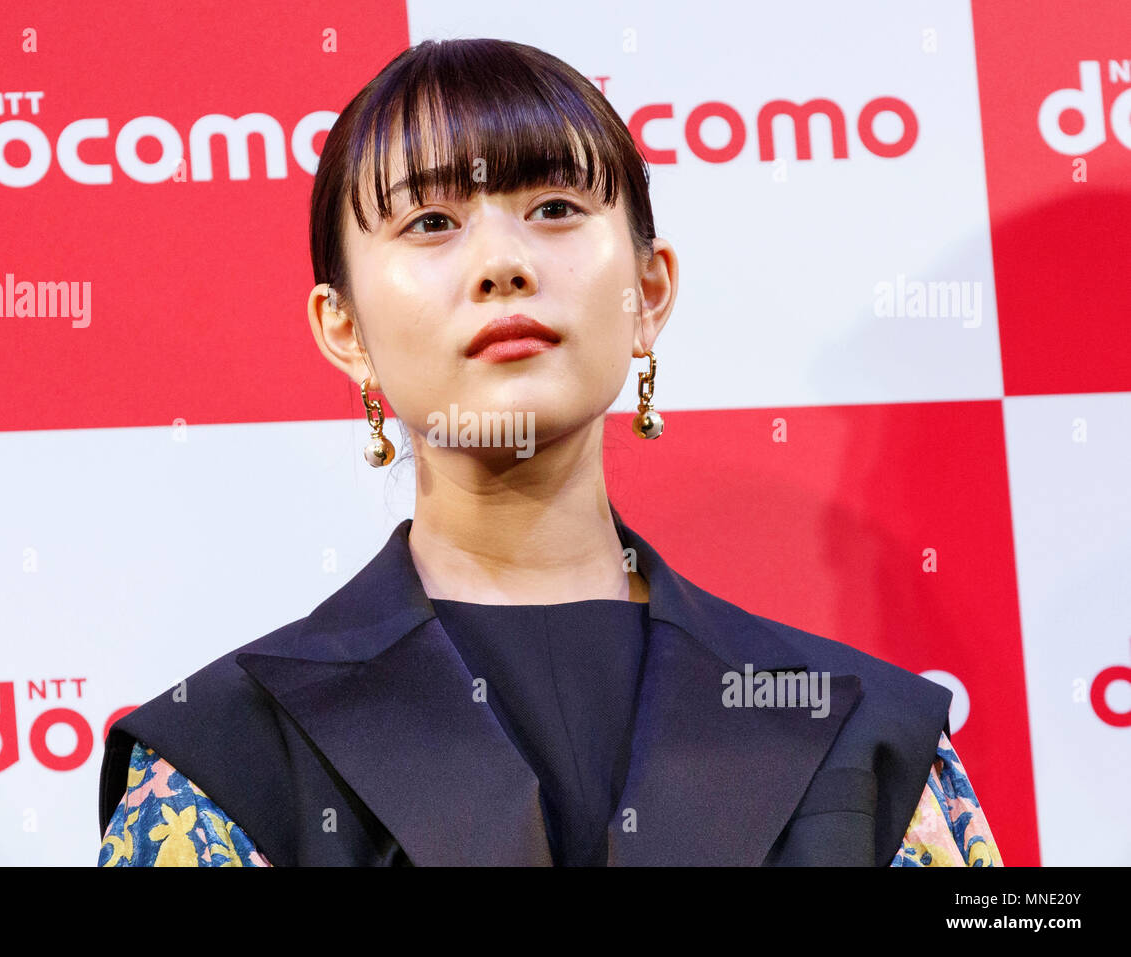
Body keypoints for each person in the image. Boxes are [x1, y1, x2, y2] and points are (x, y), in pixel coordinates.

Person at [97, 37, 1002, 867]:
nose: (502, 261)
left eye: (556, 207)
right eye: (431, 223)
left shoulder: (870, 740)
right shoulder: (224, 762)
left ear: (648, 292)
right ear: (346, 329)